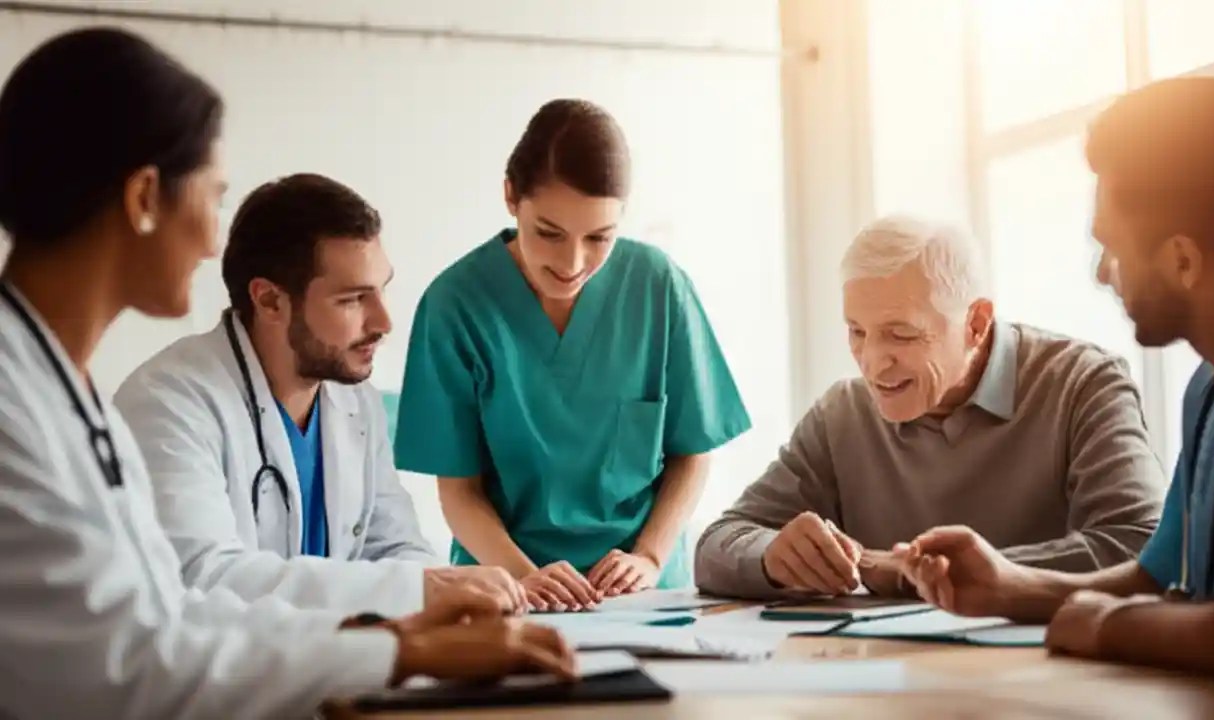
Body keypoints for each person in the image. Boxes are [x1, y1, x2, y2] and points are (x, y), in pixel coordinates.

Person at [0, 27, 573, 718]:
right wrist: (399, 649)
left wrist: (399, 633)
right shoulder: (28, 402)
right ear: (145, 197)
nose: (216, 241)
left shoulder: (60, 390)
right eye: (212, 198)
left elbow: (173, 618)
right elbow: (133, 659)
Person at [891, 77, 1214, 688]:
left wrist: (1110, 629)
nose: (1103, 273)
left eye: (1114, 249)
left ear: (1183, 260)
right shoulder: (1208, 390)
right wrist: (1007, 586)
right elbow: (1150, 579)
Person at [395, 99, 751, 610]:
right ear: (510, 197)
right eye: (549, 233)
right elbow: (459, 493)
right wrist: (525, 579)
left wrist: (649, 557)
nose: (573, 262)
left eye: (600, 237)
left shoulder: (658, 287)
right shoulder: (456, 305)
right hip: (505, 589)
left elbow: (691, 453)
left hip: (641, 594)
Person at [113, 173, 521, 617]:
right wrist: (417, 591)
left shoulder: (354, 400)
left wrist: (441, 596)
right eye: (352, 300)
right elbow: (202, 577)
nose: (383, 321)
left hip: (344, 670)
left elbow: (400, 548)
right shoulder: (169, 403)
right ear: (270, 300)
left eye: (381, 290)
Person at [695, 216, 1165, 599]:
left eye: (900, 333)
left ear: (976, 323)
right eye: (857, 331)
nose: (873, 363)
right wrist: (772, 557)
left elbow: (1138, 544)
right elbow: (717, 544)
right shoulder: (843, 412)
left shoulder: (1083, 384)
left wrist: (923, 572)